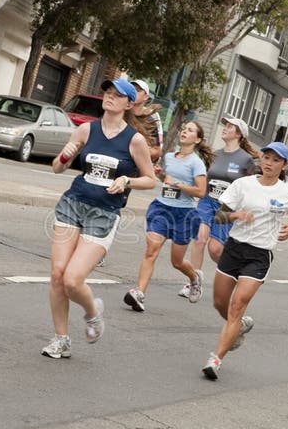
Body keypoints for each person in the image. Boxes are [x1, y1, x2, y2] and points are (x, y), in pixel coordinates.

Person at [41, 78, 156, 359]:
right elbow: (57, 168)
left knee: (72, 279)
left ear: (129, 104)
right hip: (73, 204)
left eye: (118, 95)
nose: (110, 97)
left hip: (103, 214)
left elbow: (150, 180)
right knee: (57, 275)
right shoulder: (86, 129)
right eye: (108, 92)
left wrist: (127, 181)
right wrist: (65, 156)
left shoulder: (135, 140)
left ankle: (93, 312)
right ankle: (61, 339)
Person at [201, 142, 288, 380]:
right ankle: (237, 328)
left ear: (284, 165)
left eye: (275, 160)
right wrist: (237, 215)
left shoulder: (287, 194)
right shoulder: (242, 185)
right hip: (234, 249)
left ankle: (215, 359)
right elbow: (218, 216)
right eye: (266, 158)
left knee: (237, 305)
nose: (269, 163)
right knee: (220, 303)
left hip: (260, 255)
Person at [124, 121, 213, 312]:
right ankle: (139, 293)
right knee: (151, 251)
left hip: (183, 214)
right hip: (162, 208)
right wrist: (161, 175)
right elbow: (168, 181)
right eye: (184, 129)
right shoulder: (170, 156)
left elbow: (201, 191)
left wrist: (179, 185)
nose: (184, 132)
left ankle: (194, 278)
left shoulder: (196, 163)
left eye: (190, 130)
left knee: (177, 262)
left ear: (197, 139)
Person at [178, 116, 258, 299]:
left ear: (239, 134)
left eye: (230, 126)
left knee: (215, 249)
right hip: (207, 201)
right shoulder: (215, 154)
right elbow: (204, 177)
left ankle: (233, 271)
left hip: (227, 207)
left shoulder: (246, 160)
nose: (225, 128)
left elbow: (251, 187)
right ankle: (194, 283)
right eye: (225, 125)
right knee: (199, 238)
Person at [131, 79, 164, 163]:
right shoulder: (120, 113)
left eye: (137, 90)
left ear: (146, 97)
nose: (133, 92)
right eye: (131, 89)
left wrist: (139, 151)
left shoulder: (150, 120)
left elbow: (157, 151)